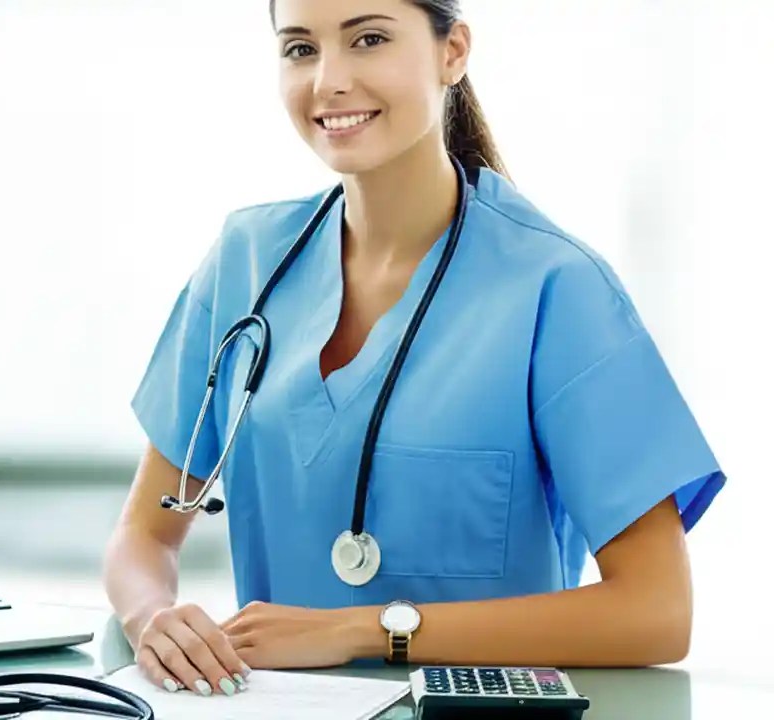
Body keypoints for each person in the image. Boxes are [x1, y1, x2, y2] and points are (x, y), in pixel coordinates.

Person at [102, 0, 726, 699]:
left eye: (369, 39)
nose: (330, 81)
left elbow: (656, 612)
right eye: (301, 48)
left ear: (452, 51)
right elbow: (145, 538)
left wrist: (364, 630)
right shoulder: (245, 261)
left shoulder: (556, 287)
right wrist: (155, 619)